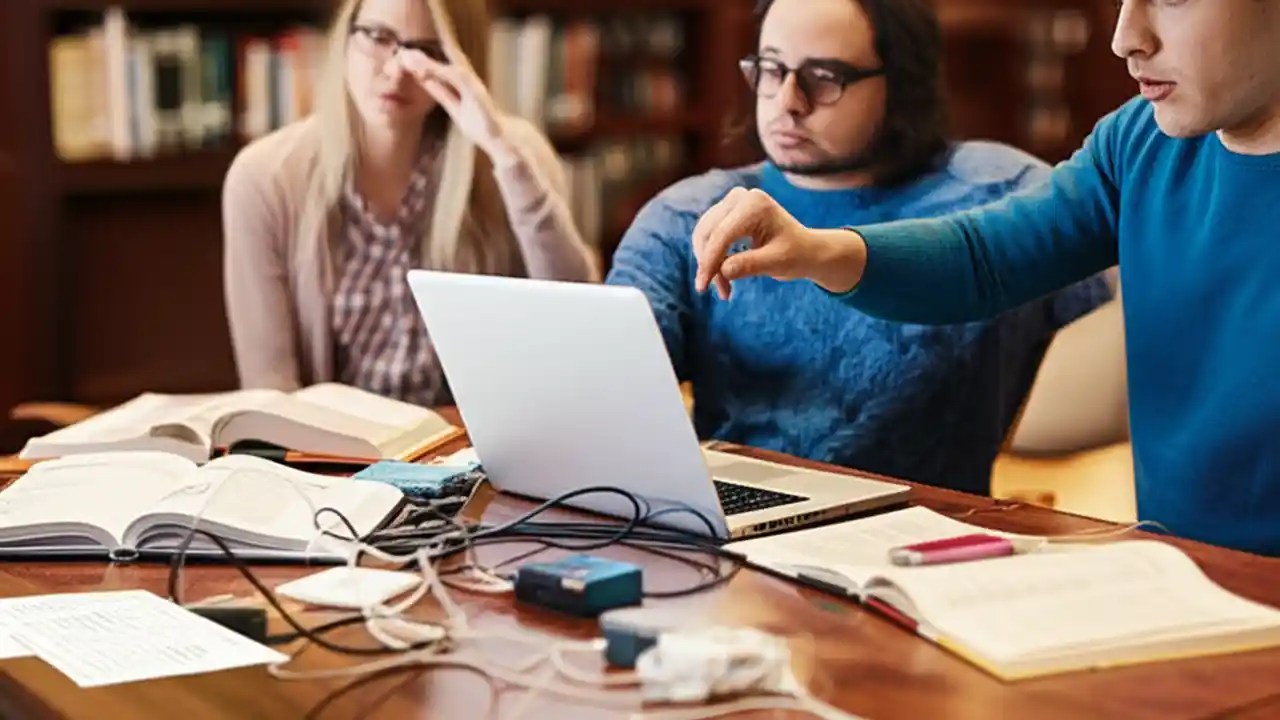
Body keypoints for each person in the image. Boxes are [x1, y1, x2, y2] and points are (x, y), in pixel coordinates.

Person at [690, 0, 1280, 555]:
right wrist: (816, 250)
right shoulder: (1141, 141)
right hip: (1189, 586)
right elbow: (983, 258)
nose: (1126, 38)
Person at [606, 0, 1112, 495]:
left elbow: (1127, 344)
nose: (787, 102)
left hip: (931, 537)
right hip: (738, 537)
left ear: (903, 84)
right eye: (770, 69)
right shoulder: (688, 215)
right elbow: (605, 382)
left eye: (824, 77)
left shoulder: (995, 191)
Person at [222, 0, 597, 406]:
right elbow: (271, 390)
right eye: (380, 38)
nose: (397, 69)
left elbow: (578, 323)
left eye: (428, 52)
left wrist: (501, 152)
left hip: (473, 448)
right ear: (345, 38)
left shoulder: (514, 155)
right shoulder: (264, 178)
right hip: (332, 458)